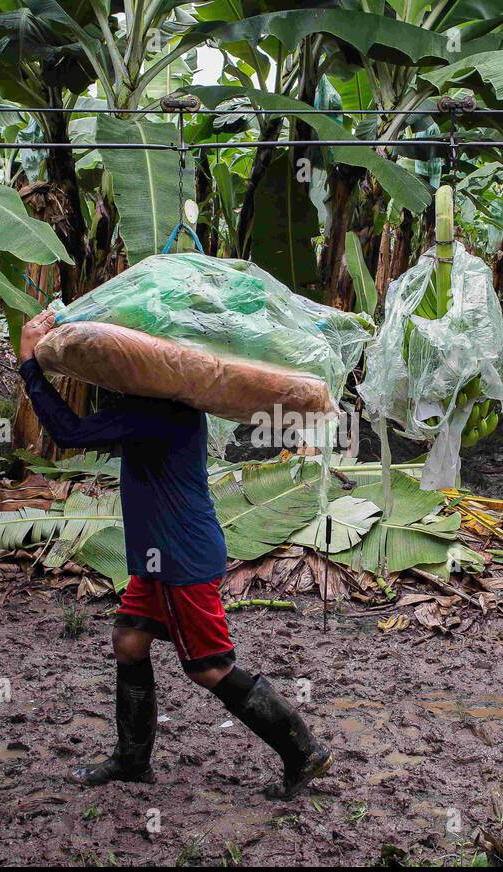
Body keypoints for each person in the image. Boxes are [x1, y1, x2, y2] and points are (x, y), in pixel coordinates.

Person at [17, 309, 333, 799]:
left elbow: (71, 434)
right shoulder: (158, 403)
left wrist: (29, 365)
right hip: (157, 559)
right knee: (128, 641)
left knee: (209, 667)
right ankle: (131, 760)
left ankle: (302, 752)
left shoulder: (157, 411)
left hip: (181, 559)